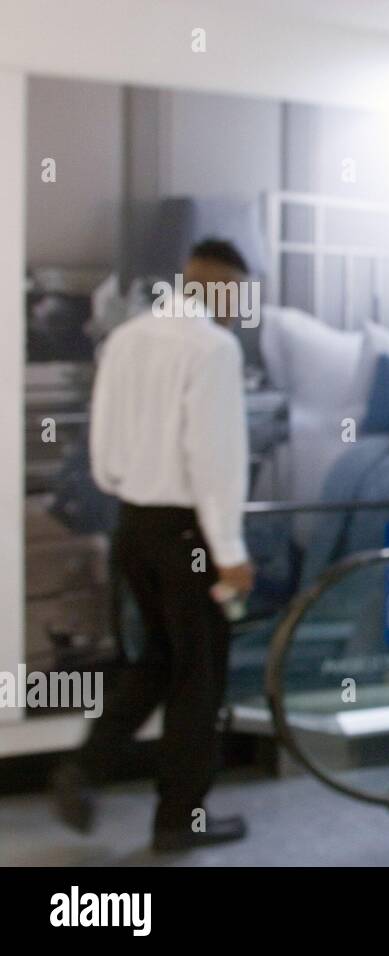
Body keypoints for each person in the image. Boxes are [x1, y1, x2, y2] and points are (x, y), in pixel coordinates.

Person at [51, 238, 255, 852]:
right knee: (200, 674)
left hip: (134, 522)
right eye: (239, 293)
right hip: (190, 531)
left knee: (160, 658)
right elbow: (214, 456)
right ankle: (179, 820)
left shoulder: (127, 338)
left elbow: (104, 443)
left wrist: (123, 487)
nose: (239, 308)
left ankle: (86, 768)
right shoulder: (213, 348)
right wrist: (230, 549)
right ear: (220, 283)